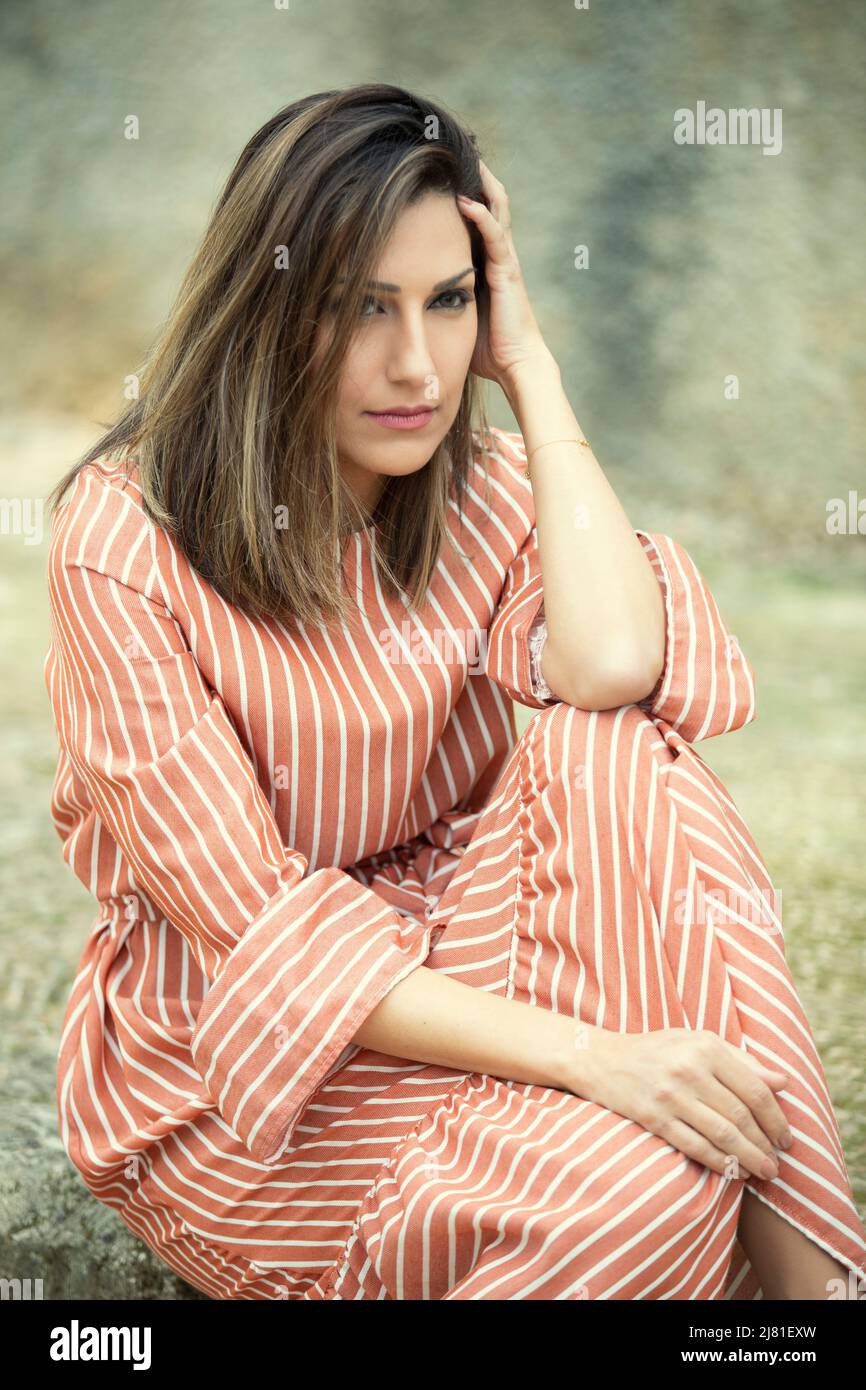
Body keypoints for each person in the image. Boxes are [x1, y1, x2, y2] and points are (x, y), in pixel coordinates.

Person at [43, 82, 865, 1301]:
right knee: (646, 1195)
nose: (416, 365)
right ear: (265, 305)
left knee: (615, 754)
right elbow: (265, 937)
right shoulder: (121, 541)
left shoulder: (472, 485)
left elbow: (613, 666)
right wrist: (600, 1060)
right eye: (358, 308)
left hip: (463, 958)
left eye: (448, 303)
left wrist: (527, 364)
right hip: (233, 1059)